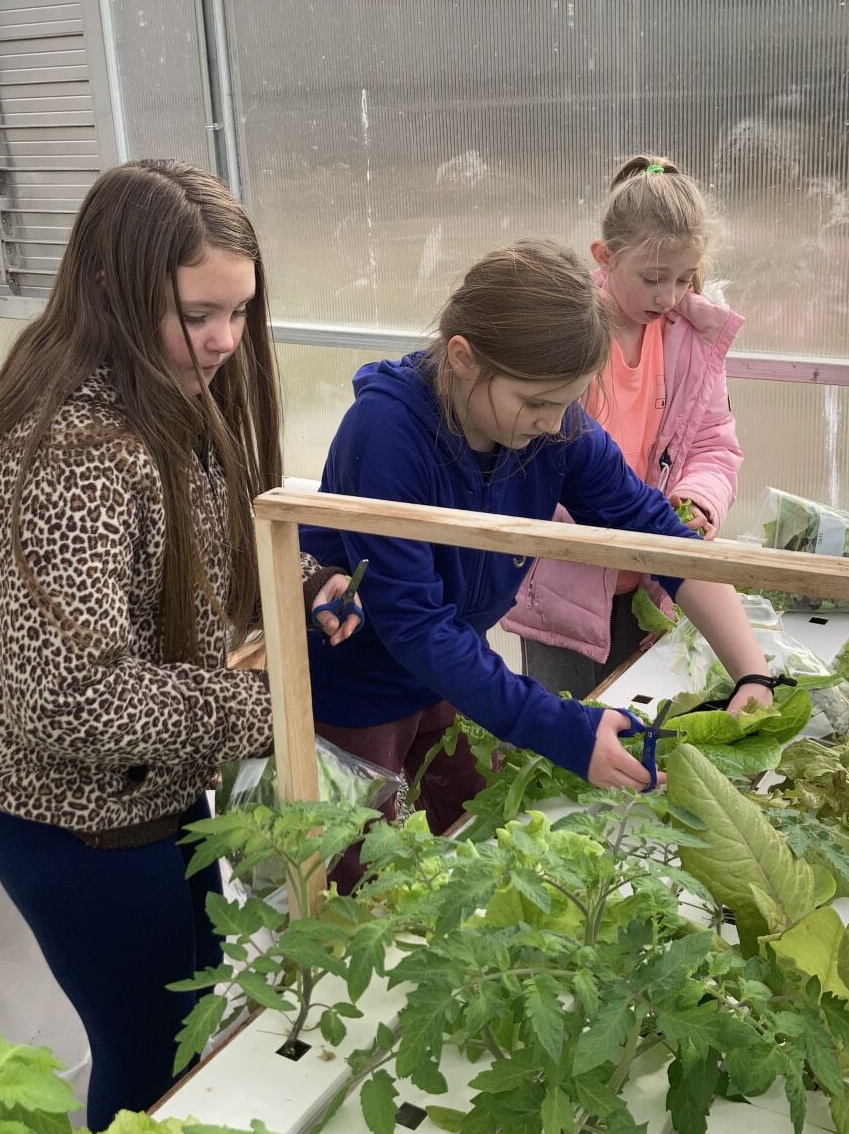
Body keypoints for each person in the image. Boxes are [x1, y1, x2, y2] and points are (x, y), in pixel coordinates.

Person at [0, 160, 357, 1129]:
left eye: (240, 310)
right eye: (197, 311)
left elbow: (191, 554)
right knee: (149, 1048)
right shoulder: (69, 460)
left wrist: (297, 587)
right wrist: (266, 706)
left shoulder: (162, 394)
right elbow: (72, 701)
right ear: (109, 289)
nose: (223, 339)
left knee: (187, 1005)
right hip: (65, 811)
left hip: (144, 787)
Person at [301, 239, 772, 880]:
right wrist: (559, 726)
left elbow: (656, 535)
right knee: (358, 882)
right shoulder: (385, 434)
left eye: (566, 403)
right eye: (538, 403)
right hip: (353, 694)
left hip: (456, 678)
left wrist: (754, 674)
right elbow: (412, 621)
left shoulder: (554, 431)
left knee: (491, 853)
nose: (553, 425)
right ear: (464, 358)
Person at [504, 156, 743, 698]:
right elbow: (527, 449)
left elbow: (713, 443)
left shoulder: (693, 341)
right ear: (604, 257)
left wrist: (698, 502)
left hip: (655, 583)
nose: (669, 297)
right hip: (565, 583)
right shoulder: (567, 332)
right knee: (563, 735)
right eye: (653, 279)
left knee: (640, 725)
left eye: (683, 279)